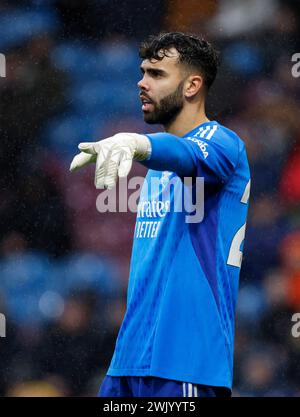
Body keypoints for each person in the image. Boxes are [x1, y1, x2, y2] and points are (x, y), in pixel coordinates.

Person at [70, 32, 251, 397]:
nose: (141, 82)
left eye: (156, 74)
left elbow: (190, 155)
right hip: (129, 362)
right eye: (142, 72)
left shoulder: (224, 142)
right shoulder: (155, 171)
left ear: (191, 85)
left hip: (185, 362)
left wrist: (138, 142)